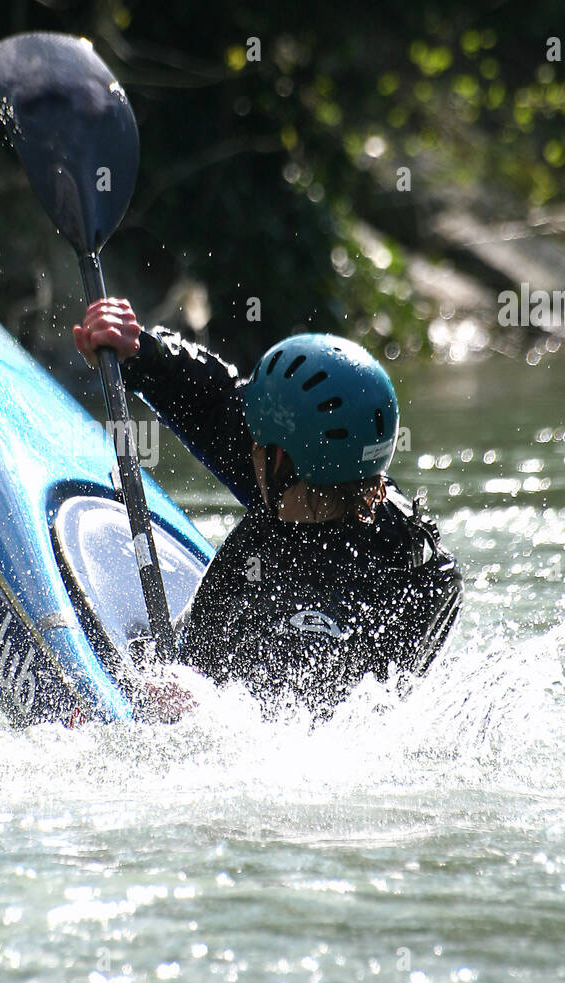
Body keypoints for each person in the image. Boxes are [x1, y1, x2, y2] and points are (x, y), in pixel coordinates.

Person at [74, 299, 463, 714]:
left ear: (276, 459)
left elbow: (293, 734)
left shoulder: (325, 619)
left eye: (256, 437)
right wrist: (142, 353)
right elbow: (213, 402)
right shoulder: (328, 479)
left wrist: (198, 708)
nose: (247, 440)